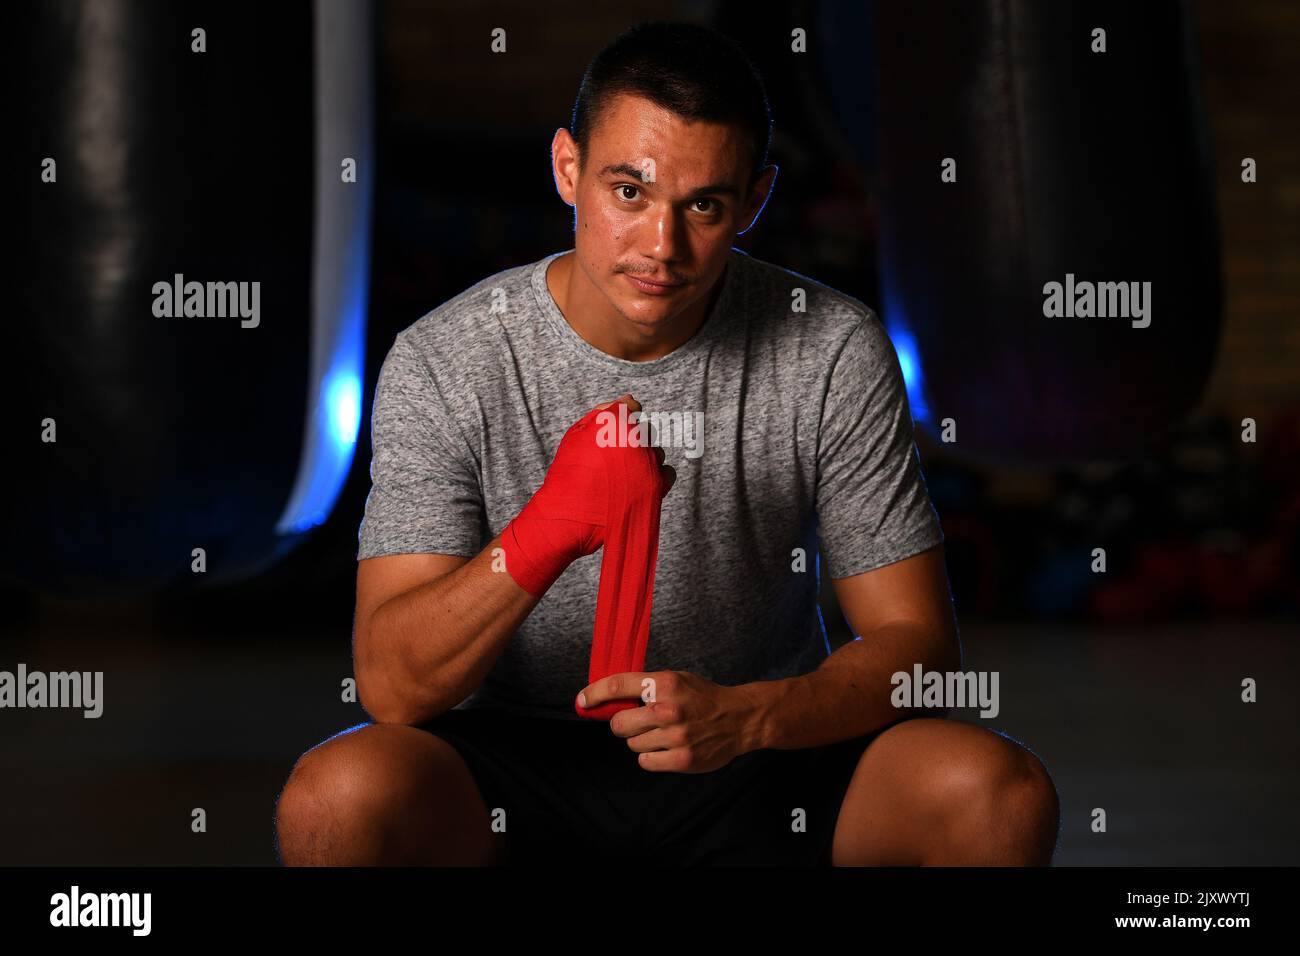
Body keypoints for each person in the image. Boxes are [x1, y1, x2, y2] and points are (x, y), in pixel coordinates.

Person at [274, 20, 1059, 867]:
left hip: (754, 751)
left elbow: (921, 651)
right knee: (336, 799)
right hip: (514, 763)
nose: (662, 246)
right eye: (629, 192)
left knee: (996, 796)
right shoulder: (448, 358)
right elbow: (392, 685)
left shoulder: (828, 347)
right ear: (568, 170)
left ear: (753, 203)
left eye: (705, 206)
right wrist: (543, 532)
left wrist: (751, 716)